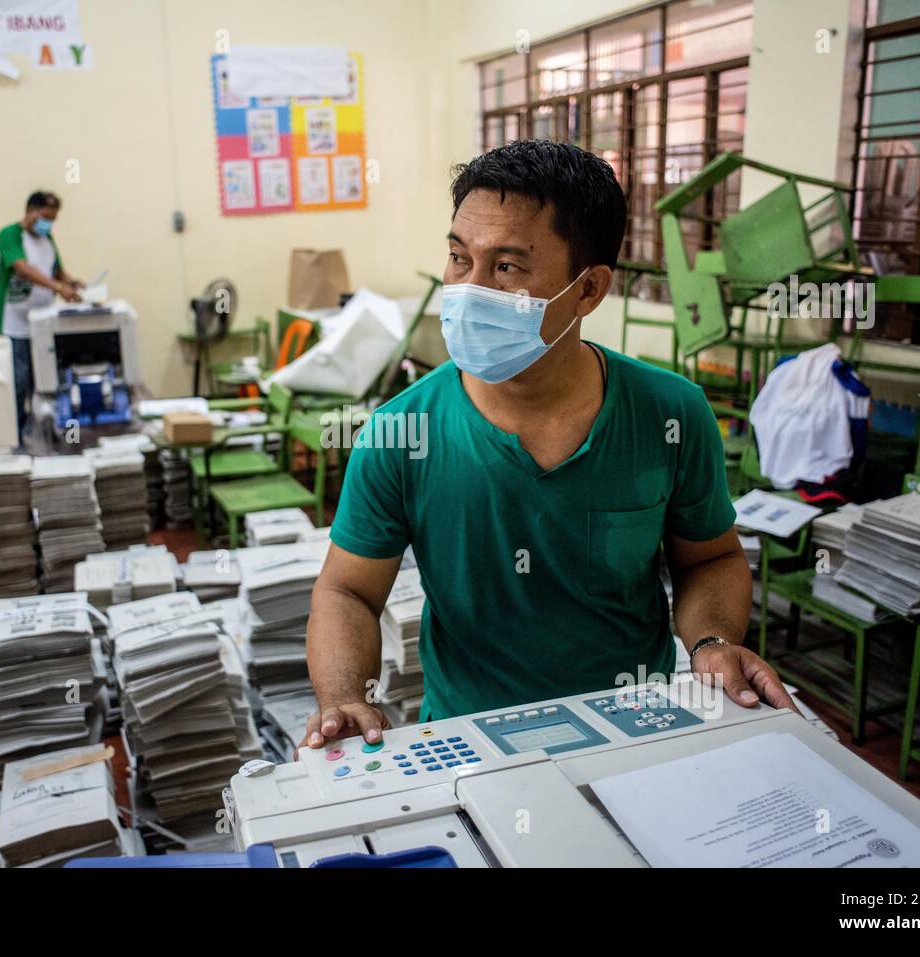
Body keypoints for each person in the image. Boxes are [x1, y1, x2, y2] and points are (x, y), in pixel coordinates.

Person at [304, 140, 794, 751]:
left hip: (635, 726)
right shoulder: (401, 432)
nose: (469, 289)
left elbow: (710, 559)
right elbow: (348, 589)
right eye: (459, 258)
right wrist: (346, 694)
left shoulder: (671, 414)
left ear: (588, 290)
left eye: (506, 267)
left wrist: (713, 642)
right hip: (466, 741)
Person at [0, 191, 83, 443]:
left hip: (44, 321)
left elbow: (57, 270)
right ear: (31, 211)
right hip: (16, 322)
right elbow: (22, 268)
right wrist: (58, 287)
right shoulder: (10, 235)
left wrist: (72, 282)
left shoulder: (47, 238)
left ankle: (44, 431)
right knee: (20, 380)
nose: (48, 224)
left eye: (52, 219)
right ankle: (17, 436)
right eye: (45, 218)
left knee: (43, 379)